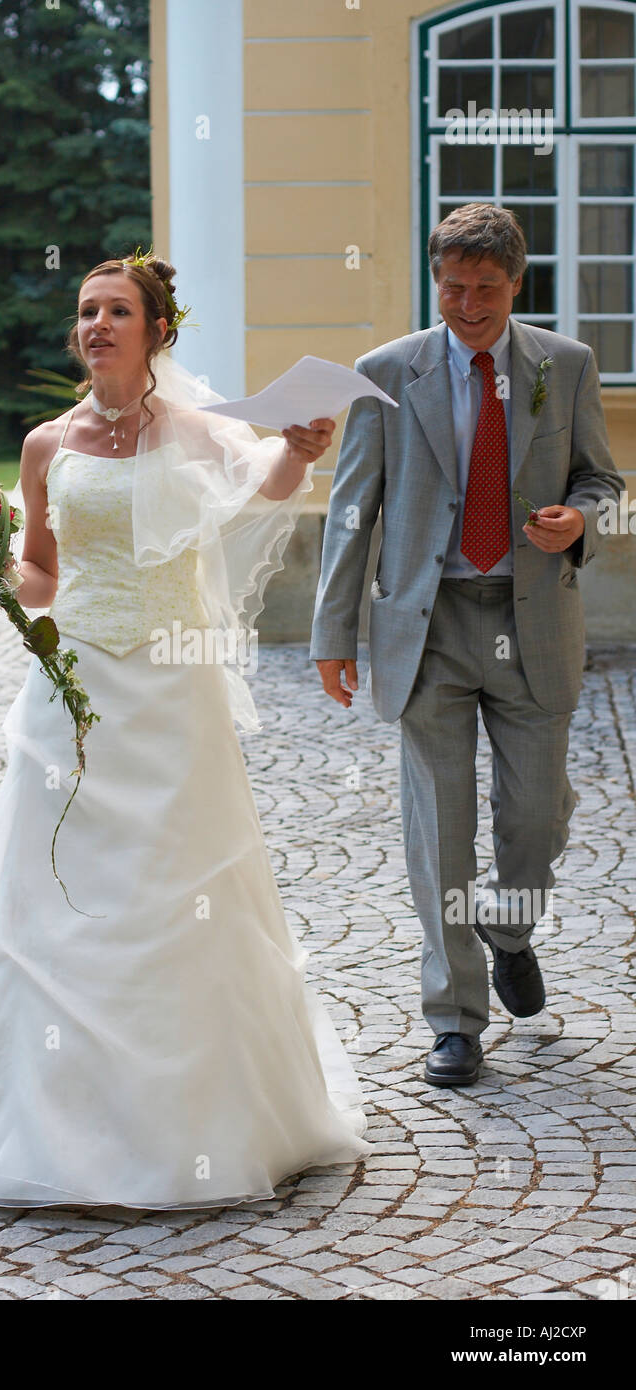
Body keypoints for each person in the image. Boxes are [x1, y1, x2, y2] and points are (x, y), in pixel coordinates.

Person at [0, 251, 370, 1209]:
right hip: (73, 683)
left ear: (156, 331)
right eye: (86, 311)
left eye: (116, 311)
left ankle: (202, 1126)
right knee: (51, 888)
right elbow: (43, 568)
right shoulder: (47, 444)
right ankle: (34, 1124)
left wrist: (302, 444)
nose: (96, 325)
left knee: (183, 888)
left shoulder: (201, 431)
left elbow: (269, 486)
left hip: (174, 696)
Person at [311, 203, 625, 1088]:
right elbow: (351, 510)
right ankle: (454, 1016)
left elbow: (601, 476)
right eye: (453, 287)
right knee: (439, 830)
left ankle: (509, 929)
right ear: (436, 282)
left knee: (535, 820)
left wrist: (582, 519)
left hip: (533, 621)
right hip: (428, 623)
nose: (468, 304)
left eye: (487, 288)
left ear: (516, 284)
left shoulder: (564, 367)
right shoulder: (387, 373)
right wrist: (335, 631)